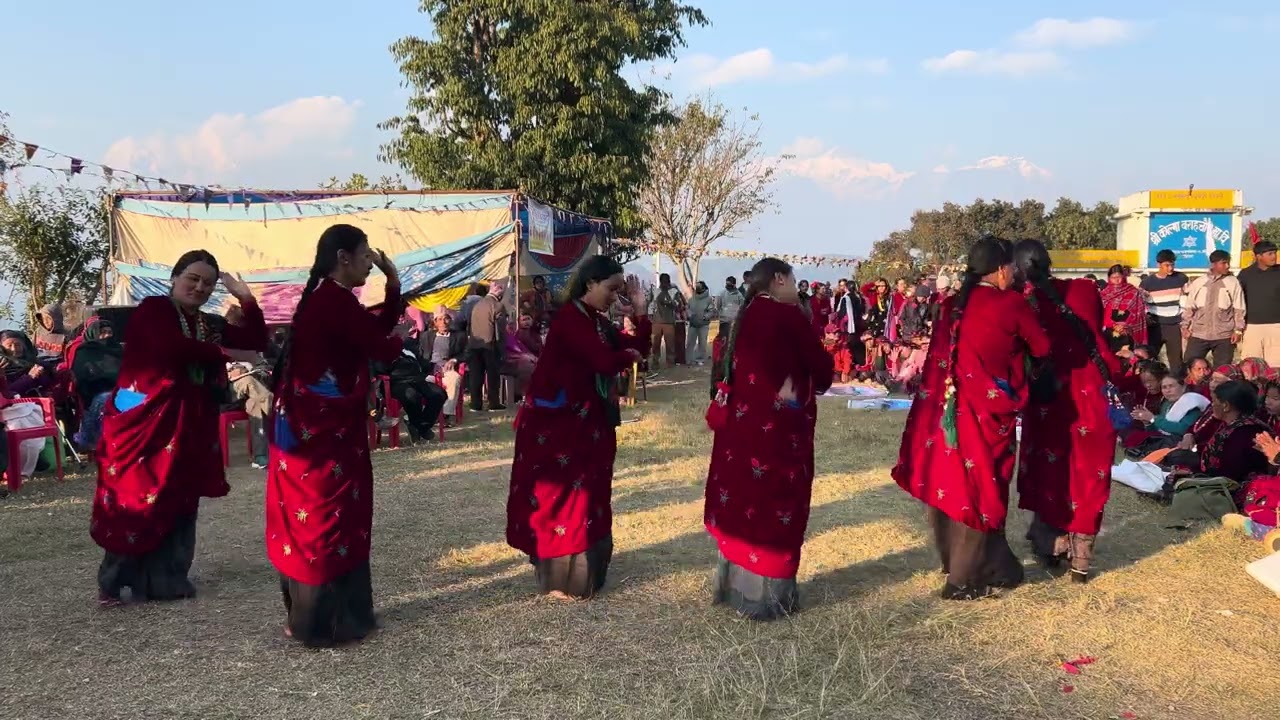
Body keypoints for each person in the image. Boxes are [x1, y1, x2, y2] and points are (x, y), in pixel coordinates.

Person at [93, 250, 267, 606]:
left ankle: (168, 580)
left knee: (182, 497)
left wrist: (246, 299)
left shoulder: (207, 323)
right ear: (175, 278)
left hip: (188, 422)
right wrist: (226, 354)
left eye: (208, 283)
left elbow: (256, 342)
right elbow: (170, 347)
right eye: (193, 279)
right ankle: (115, 581)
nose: (200, 287)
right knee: (138, 496)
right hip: (143, 419)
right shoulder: (153, 309)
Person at [267, 223, 403, 646]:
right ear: (343, 258)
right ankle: (322, 622)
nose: (370, 264)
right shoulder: (334, 301)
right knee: (328, 519)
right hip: (322, 432)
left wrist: (393, 284)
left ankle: (316, 617)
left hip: (315, 427)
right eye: (365, 257)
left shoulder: (330, 299)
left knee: (316, 516)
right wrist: (397, 340)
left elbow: (370, 330)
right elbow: (380, 344)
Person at [892, 237, 1051, 600]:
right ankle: (963, 581)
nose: (1015, 273)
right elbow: (1042, 347)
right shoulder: (1011, 304)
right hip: (985, 413)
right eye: (1012, 267)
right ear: (1001, 270)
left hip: (946, 412)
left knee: (951, 484)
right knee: (982, 489)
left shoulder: (950, 305)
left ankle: (989, 565)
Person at [506, 258, 650, 599]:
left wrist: (640, 312)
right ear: (590, 284)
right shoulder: (571, 319)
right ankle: (562, 580)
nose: (614, 297)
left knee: (590, 493)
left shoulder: (596, 322)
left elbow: (639, 349)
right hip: (557, 426)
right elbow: (604, 360)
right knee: (562, 499)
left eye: (619, 291)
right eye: (611, 289)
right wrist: (628, 354)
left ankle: (586, 574)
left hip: (587, 424)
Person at [702, 258, 833, 620]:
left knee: (742, 499)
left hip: (741, 430)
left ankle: (734, 589)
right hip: (777, 431)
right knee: (774, 505)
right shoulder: (788, 316)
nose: (796, 286)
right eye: (793, 278)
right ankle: (766, 600)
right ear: (779, 279)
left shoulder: (745, 316)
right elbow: (822, 373)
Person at [1013, 239, 1121, 583]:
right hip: (1094, 397)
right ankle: (1081, 560)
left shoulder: (1024, 304)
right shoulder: (1085, 289)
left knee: (1052, 473)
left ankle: (1051, 544)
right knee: (1089, 475)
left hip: (1053, 400)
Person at [1168, 381, 1270, 495]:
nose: (1212, 405)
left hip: (1237, 490)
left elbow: (1229, 476)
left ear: (1226, 406)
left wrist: (1192, 476)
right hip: (1219, 480)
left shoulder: (1245, 432)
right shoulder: (1231, 425)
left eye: (1214, 401)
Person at [376, 321, 447, 443]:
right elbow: (379, 369)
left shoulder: (409, 346)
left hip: (417, 379)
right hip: (396, 382)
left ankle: (420, 426)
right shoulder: (379, 348)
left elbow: (423, 364)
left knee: (439, 394)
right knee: (412, 395)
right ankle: (420, 426)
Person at [1182, 250, 1245, 369]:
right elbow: (1189, 307)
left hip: (1224, 336)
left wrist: (1238, 331)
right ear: (1213, 264)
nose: (1227, 266)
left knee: (1222, 371)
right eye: (1223, 263)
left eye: (1228, 263)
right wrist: (1185, 327)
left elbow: (1239, 308)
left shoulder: (1233, 283)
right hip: (1199, 334)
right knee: (1189, 367)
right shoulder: (1199, 282)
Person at [70, 318, 123, 451]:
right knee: (107, 399)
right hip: (95, 394)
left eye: (109, 332)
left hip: (121, 390)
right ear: (93, 333)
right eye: (103, 332)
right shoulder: (85, 351)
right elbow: (82, 377)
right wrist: (106, 378)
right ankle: (101, 443)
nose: (107, 336)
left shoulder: (118, 350)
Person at [1139, 249, 1189, 375]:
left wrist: (1184, 323)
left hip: (1174, 325)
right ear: (1158, 264)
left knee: (1176, 361)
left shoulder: (1181, 279)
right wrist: (1147, 317)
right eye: (1167, 265)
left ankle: (1177, 383)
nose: (1170, 268)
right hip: (1155, 326)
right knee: (1151, 359)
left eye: (1172, 265)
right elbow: (1141, 304)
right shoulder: (1147, 283)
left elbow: (1186, 302)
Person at [1237, 240, 1280, 366]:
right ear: (1258, 256)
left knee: (1275, 366)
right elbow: (1238, 300)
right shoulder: (1245, 274)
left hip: (1276, 326)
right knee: (1251, 366)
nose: (1274, 256)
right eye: (1270, 254)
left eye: (1275, 253)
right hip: (1251, 327)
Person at [468, 281, 507, 412]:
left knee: (476, 376)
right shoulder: (498, 306)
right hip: (490, 344)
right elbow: (500, 330)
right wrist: (501, 349)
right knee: (492, 375)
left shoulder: (477, 305)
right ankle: (493, 403)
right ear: (499, 293)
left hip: (474, 344)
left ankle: (475, 404)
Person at [1100, 265, 1147, 347]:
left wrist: (1125, 325)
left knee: (1126, 353)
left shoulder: (1133, 291)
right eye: (1113, 277)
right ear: (1109, 278)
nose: (1116, 280)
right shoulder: (1104, 293)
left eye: (1118, 277)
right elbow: (1100, 312)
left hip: (1127, 331)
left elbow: (1139, 312)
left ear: (1123, 276)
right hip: (1108, 330)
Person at [0, 330, 55, 397]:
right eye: (9, 345)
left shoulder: (35, 362)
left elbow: (49, 384)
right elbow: (7, 393)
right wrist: (30, 377)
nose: (14, 349)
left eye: (18, 345)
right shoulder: (2, 367)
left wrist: (41, 373)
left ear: (24, 346)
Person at [649, 273, 682, 368]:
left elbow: (678, 304)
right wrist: (650, 316)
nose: (664, 284)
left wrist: (670, 302)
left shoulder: (673, 292)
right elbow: (650, 304)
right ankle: (655, 362)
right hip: (656, 322)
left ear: (669, 282)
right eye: (663, 281)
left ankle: (670, 362)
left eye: (666, 282)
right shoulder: (655, 291)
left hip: (669, 322)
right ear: (660, 281)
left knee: (670, 344)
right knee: (655, 344)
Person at [685, 280, 715, 365]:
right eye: (696, 287)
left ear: (704, 288)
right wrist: (690, 315)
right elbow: (688, 308)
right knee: (690, 342)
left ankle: (700, 359)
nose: (697, 288)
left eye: (699, 287)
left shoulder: (708, 299)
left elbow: (712, 311)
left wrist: (705, 317)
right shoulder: (691, 299)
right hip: (693, 324)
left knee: (702, 343)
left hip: (703, 324)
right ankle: (689, 359)